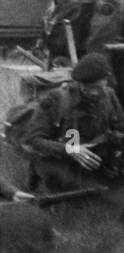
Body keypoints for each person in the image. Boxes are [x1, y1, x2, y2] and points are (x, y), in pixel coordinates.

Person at [24, 53, 124, 194]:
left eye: (98, 87)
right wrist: (71, 150)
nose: (94, 93)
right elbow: (33, 140)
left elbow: (120, 128)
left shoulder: (109, 95)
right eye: (88, 88)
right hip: (62, 159)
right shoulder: (56, 98)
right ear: (79, 83)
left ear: (106, 81)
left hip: (96, 159)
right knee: (70, 193)